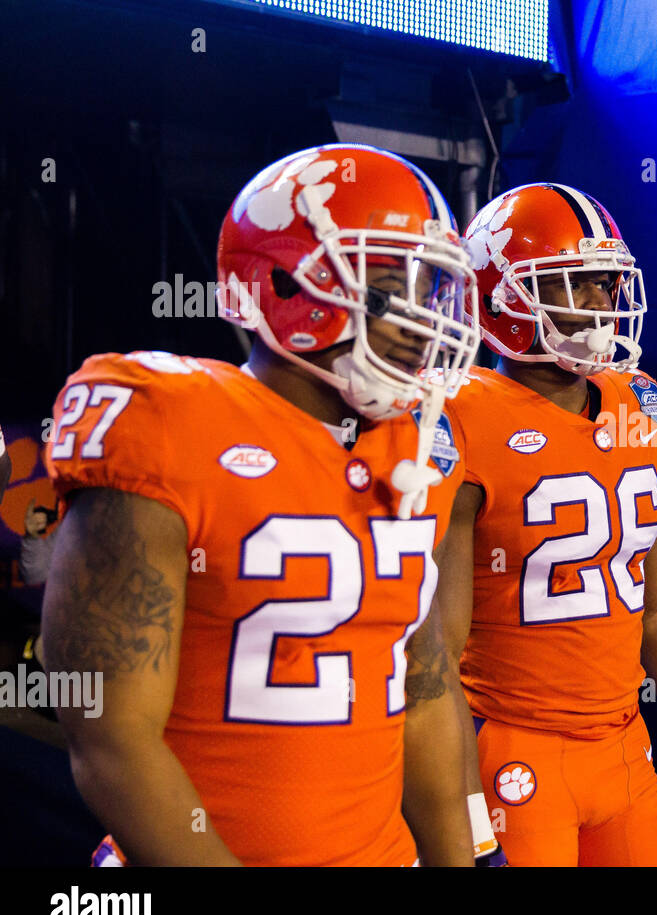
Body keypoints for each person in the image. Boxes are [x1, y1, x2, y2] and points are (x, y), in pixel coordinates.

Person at [41, 144, 481, 866]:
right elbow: (109, 737)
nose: (421, 319)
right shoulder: (170, 420)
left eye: (430, 288)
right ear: (281, 283)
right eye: (383, 289)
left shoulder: (411, 447)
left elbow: (424, 686)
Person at [438, 182, 657, 866]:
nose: (601, 304)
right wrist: (470, 829)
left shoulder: (637, 402)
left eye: (606, 284)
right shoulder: (458, 418)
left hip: (623, 748)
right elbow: (432, 653)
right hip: (512, 751)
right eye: (576, 283)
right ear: (501, 296)